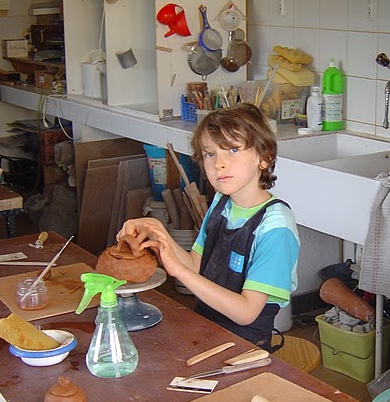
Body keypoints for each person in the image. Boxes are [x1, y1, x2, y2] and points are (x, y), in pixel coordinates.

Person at [118, 104, 299, 351]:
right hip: (204, 327)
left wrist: (179, 273)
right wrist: (157, 230)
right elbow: (195, 265)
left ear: (264, 158)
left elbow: (246, 312)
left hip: (245, 347)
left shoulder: (276, 227)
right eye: (210, 154)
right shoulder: (222, 202)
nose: (219, 164)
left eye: (233, 150)